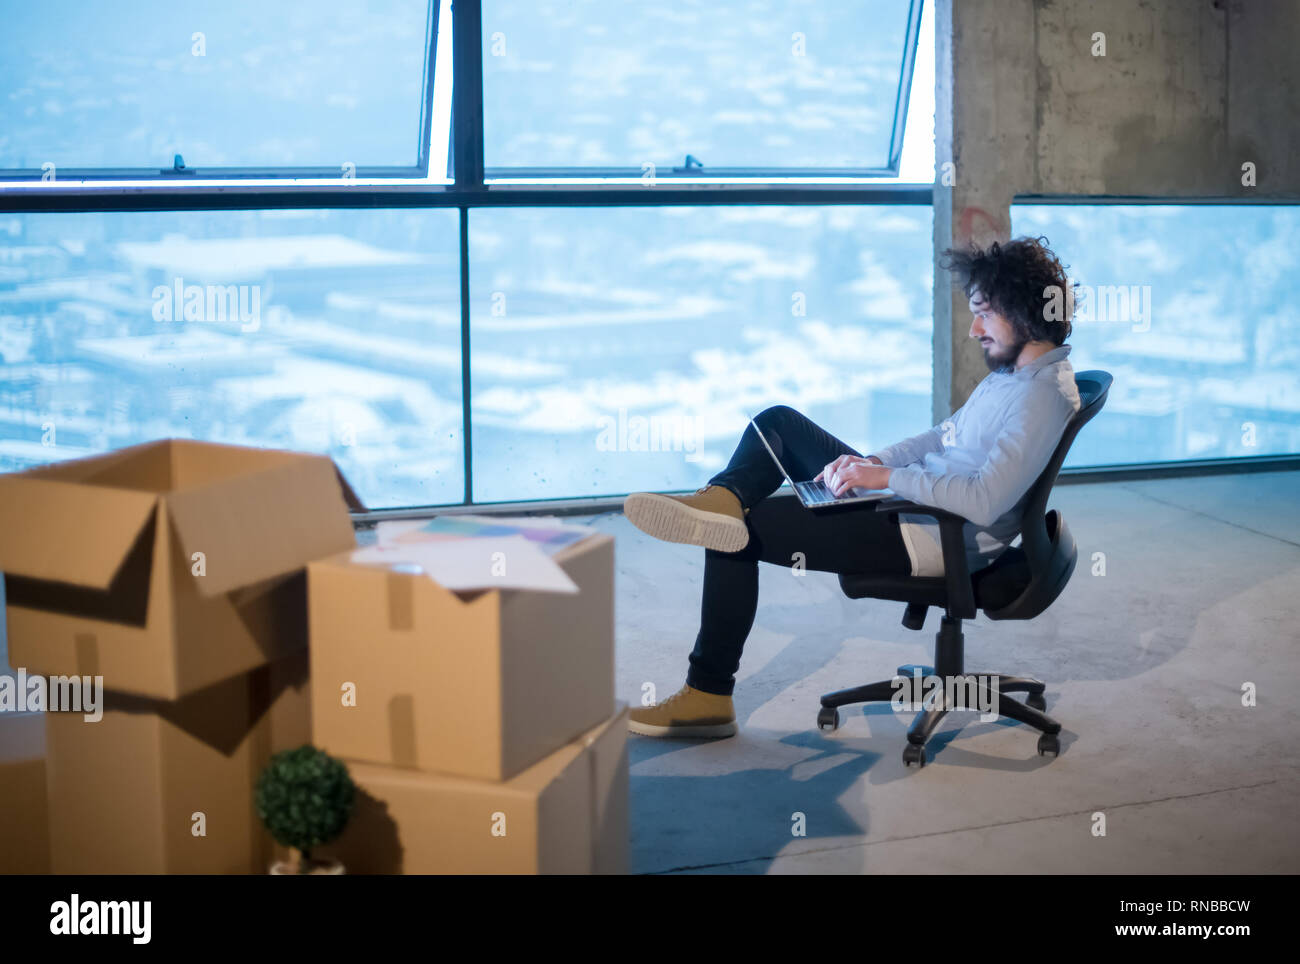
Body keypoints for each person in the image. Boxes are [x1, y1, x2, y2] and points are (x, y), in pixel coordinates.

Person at [622, 236, 1083, 738]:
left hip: (932, 536)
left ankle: (707, 698)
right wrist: (874, 463)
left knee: (735, 535)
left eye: (984, 314)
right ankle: (722, 498)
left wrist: (885, 480)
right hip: (908, 505)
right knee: (778, 423)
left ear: (1022, 311)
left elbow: (985, 500)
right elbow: (943, 436)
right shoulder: (1015, 376)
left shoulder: (1041, 396)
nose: (974, 330)